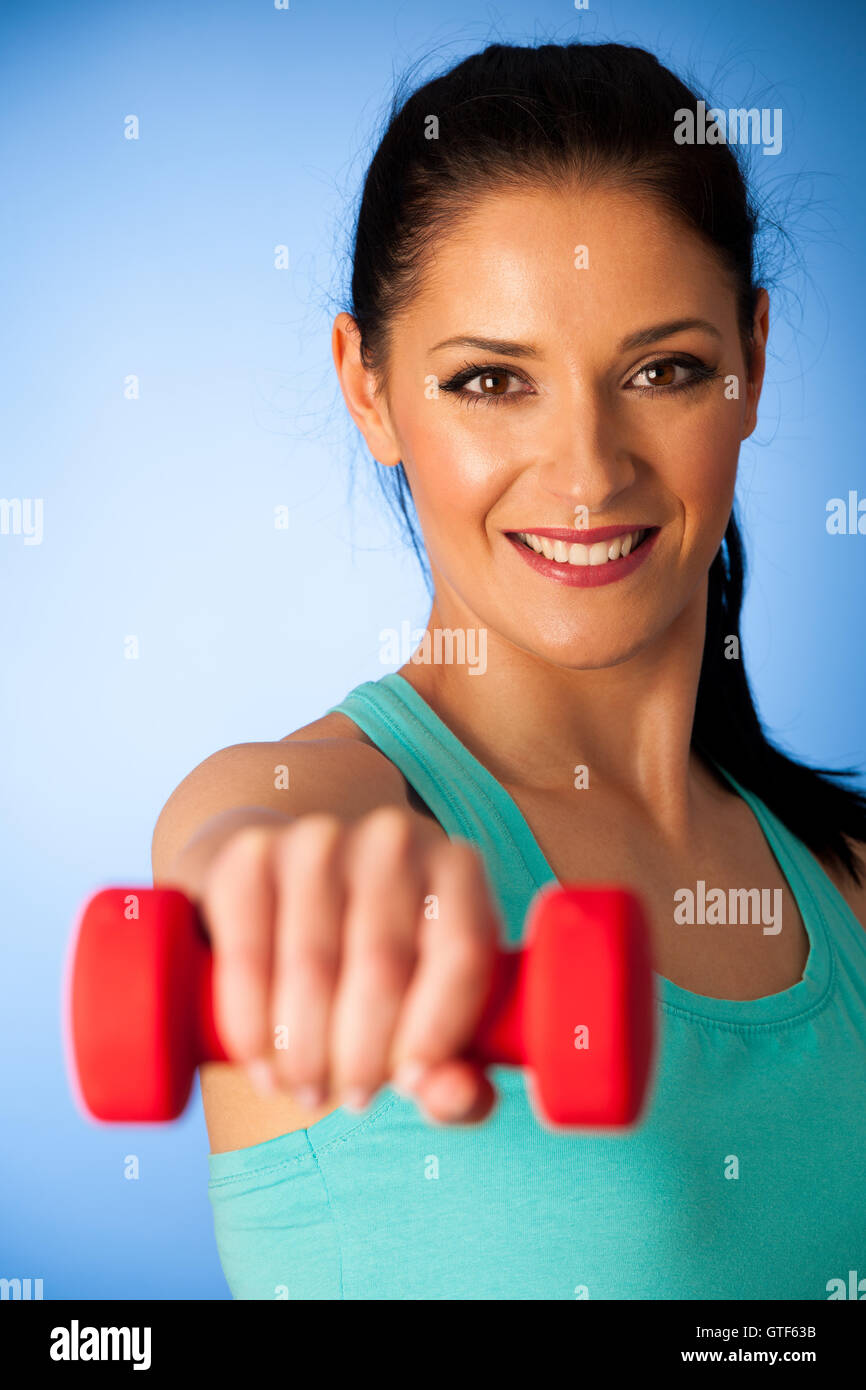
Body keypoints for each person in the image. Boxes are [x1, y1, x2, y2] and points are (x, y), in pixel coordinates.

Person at [152, 41, 866, 1299]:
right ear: (364, 387)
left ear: (750, 357)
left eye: (662, 371)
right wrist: (278, 893)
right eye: (489, 381)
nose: (586, 472)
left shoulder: (844, 884)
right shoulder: (325, 805)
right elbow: (243, 831)